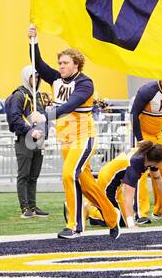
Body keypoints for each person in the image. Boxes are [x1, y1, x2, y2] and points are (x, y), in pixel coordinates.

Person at [27, 25, 120, 239]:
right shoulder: (56, 79)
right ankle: (112, 216)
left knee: (69, 175)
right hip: (65, 140)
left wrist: (45, 116)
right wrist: (33, 41)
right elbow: (38, 64)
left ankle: (74, 226)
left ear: (76, 64)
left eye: (65, 63)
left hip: (83, 138)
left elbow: (71, 104)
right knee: (86, 184)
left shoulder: (85, 83)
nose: (60, 66)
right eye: (59, 63)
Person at [89, 141, 162, 229]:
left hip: (116, 181)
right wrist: (131, 225)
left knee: (122, 219)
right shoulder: (135, 165)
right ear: (156, 160)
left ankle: (101, 210)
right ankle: (93, 211)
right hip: (107, 182)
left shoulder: (149, 157)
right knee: (119, 223)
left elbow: (159, 183)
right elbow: (128, 198)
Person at [128, 78, 162, 222]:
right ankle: (141, 213)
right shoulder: (147, 91)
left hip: (157, 134)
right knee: (141, 174)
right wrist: (139, 140)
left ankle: (161, 209)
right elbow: (133, 114)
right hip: (142, 134)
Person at [3, 64, 49, 218]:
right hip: (24, 139)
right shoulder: (19, 95)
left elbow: (43, 116)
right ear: (26, 77)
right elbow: (15, 118)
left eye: (37, 77)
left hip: (39, 140)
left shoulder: (39, 96)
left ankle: (33, 205)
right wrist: (30, 131)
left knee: (34, 175)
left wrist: (47, 129)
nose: (35, 79)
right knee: (24, 174)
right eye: (32, 76)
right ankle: (25, 207)